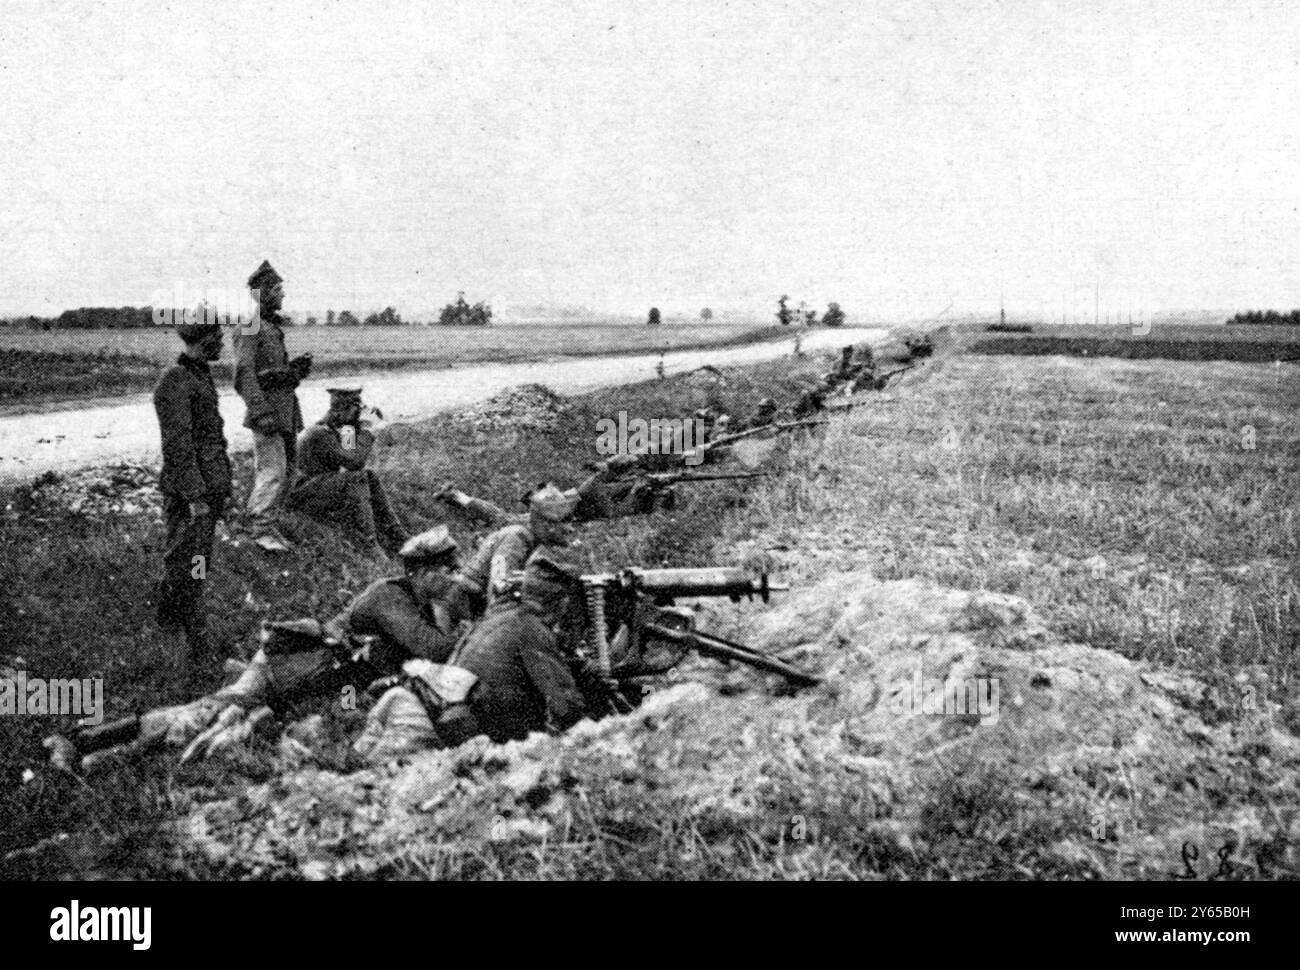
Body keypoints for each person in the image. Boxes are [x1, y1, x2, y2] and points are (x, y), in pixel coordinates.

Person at [152, 319, 232, 675]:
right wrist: (195, 496)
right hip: (191, 497)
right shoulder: (176, 379)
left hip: (207, 494)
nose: (223, 343)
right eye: (218, 337)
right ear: (204, 339)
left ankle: (181, 635)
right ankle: (186, 642)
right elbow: (179, 447)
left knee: (195, 566)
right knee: (185, 565)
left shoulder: (198, 375)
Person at [234, 260, 312, 551]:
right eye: (278, 289)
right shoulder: (250, 327)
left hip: (285, 411)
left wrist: (292, 371)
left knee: (289, 472)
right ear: (262, 293)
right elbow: (244, 375)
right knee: (273, 472)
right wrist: (261, 413)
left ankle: (269, 525)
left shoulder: (269, 327)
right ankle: (258, 529)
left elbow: (269, 373)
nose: (283, 295)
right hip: (268, 414)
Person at [325, 525, 474, 667]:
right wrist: (471, 628)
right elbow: (434, 650)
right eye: (450, 572)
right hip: (341, 676)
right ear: (422, 574)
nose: (456, 580)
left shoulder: (421, 597)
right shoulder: (388, 595)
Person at [287, 387, 408, 557]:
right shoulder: (320, 433)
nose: (358, 415)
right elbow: (354, 462)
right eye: (355, 410)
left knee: (369, 476)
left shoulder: (343, 429)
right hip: (301, 493)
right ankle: (370, 545)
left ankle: (399, 537)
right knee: (356, 478)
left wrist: (358, 428)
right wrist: (367, 430)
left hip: (318, 486)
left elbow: (352, 461)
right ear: (341, 410)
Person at [453, 482, 578, 614]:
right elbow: (499, 588)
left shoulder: (530, 538)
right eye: (566, 521)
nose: (571, 529)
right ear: (549, 525)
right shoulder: (518, 537)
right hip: (463, 609)